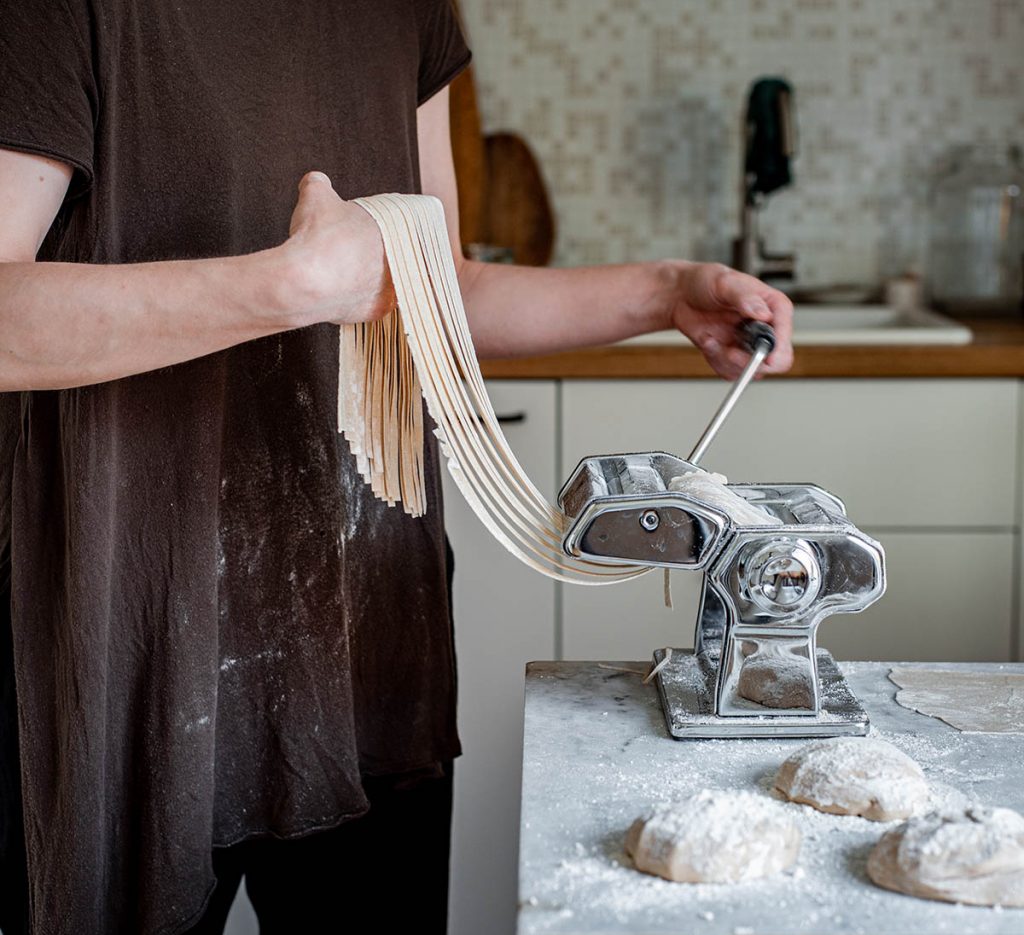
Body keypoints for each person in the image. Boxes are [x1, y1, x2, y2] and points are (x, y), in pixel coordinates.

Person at [0, 1, 794, 932]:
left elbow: (434, 291)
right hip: (124, 638)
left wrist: (665, 291)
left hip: (362, 632)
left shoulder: (407, 8)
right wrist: (289, 287)